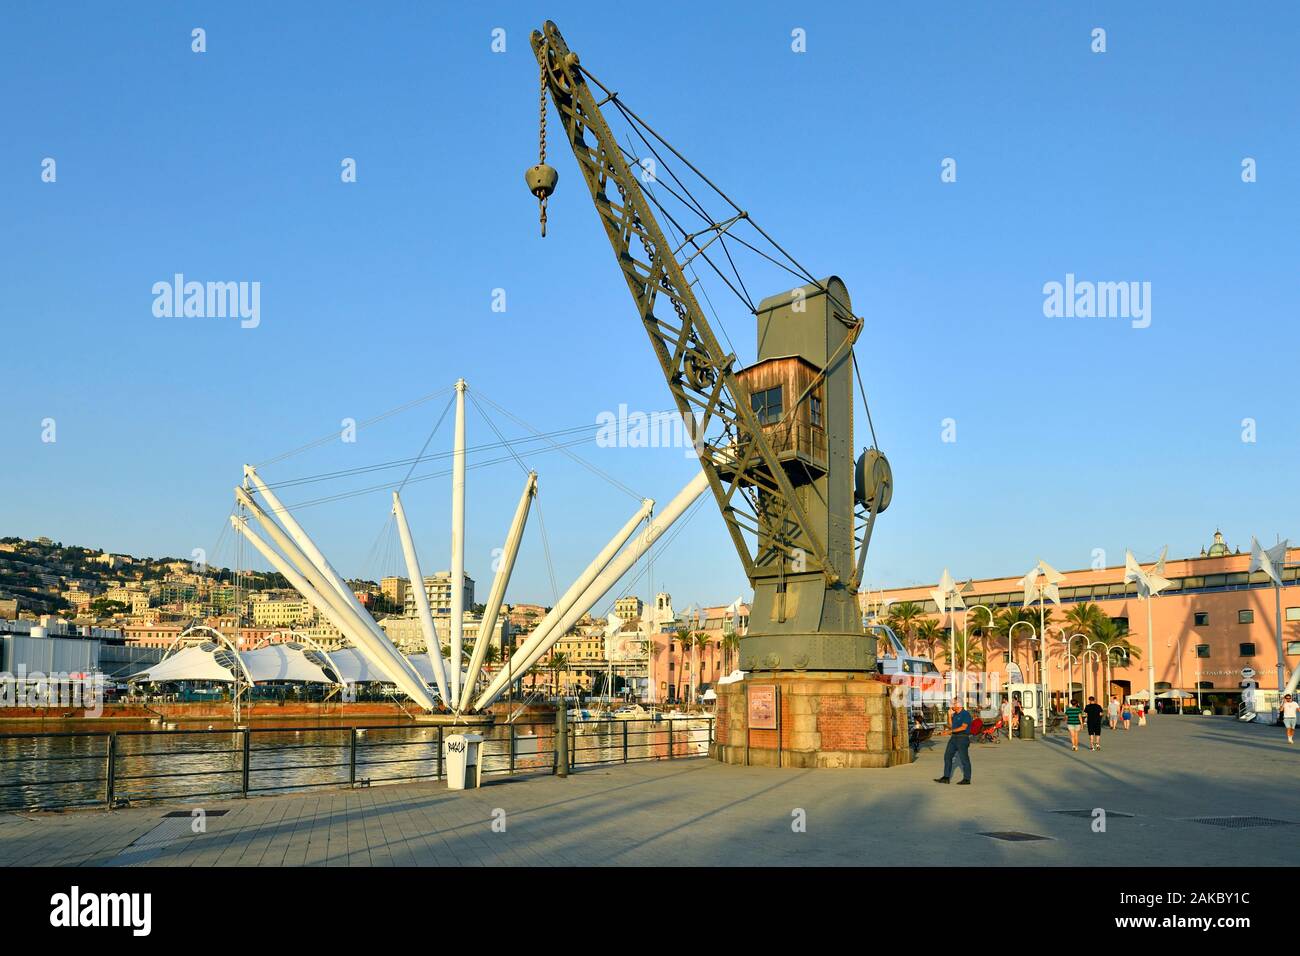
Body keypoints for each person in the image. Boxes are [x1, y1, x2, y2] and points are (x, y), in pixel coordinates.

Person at [935, 697, 972, 785]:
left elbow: (963, 727)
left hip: (962, 738)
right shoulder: (955, 714)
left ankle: (967, 779)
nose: (952, 705)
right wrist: (949, 715)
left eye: (953, 704)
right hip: (954, 738)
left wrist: (949, 731)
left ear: (959, 704)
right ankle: (946, 777)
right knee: (947, 756)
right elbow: (952, 726)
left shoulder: (965, 714)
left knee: (964, 759)